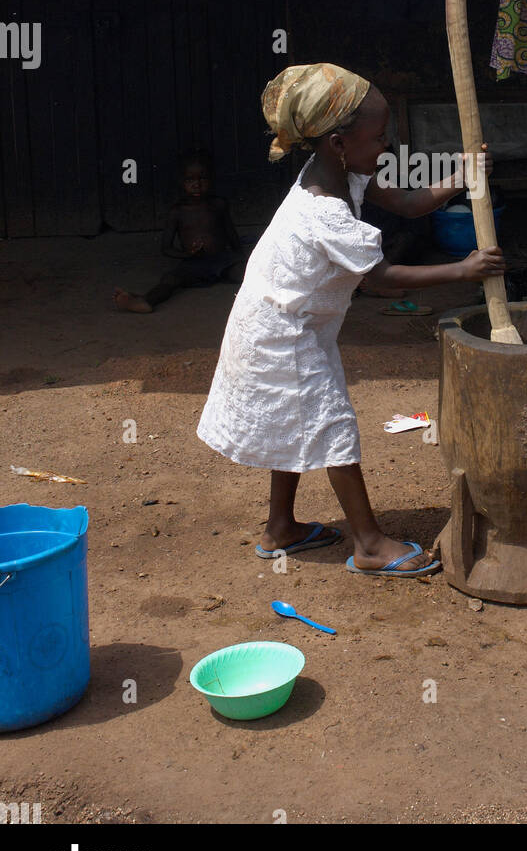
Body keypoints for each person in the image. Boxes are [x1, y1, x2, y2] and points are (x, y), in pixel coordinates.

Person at [196, 63, 504, 578]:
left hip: (288, 324)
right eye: (380, 136)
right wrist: (464, 269)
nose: (386, 145)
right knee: (331, 427)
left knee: (295, 423)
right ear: (339, 142)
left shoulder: (339, 171)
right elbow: (380, 277)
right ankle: (368, 543)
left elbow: (406, 204)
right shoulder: (323, 213)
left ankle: (280, 528)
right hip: (281, 335)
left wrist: (459, 178)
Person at [114, 150, 246, 314]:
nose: (196, 184)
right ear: (181, 182)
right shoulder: (177, 212)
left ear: (211, 180)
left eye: (202, 178)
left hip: (223, 260)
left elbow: (231, 232)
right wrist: (188, 255)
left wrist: (240, 255)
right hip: (194, 264)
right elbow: (166, 248)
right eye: (190, 179)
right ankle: (145, 300)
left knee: (248, 273)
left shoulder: (218, 204)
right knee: (170, 280)